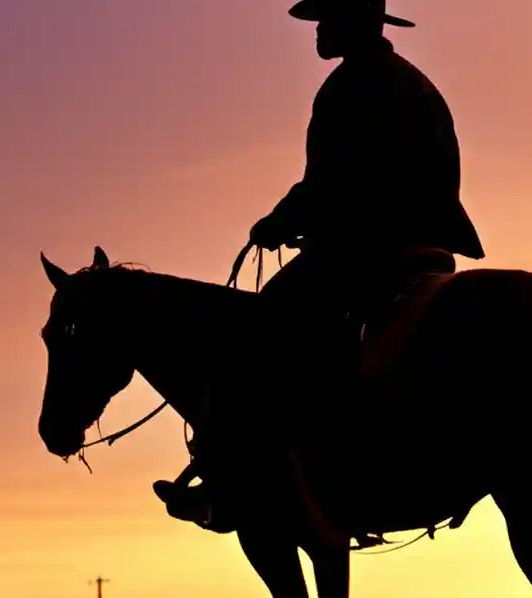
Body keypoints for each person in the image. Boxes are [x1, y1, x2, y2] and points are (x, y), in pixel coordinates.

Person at [155, 0, 485, 531]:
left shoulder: (347, 88)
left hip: (368, 249)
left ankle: (241, 483)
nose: (316, 33)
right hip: (427, 247)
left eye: (326, 21)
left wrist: (277, 223)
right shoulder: (411, 82)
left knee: (259, 332)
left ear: (352, 23)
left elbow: (329, 182)